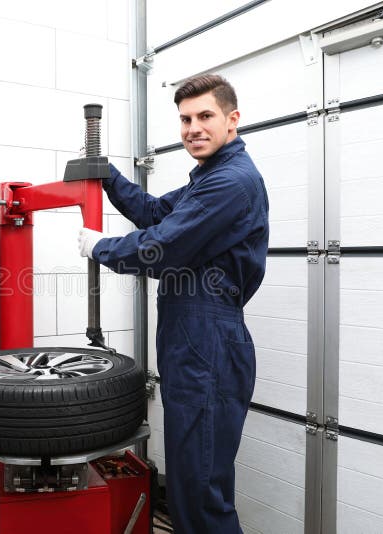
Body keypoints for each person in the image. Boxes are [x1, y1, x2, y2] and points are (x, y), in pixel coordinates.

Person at [77, 74, 269, 533]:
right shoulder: (210, 178)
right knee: (189, 481)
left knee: (201, 491)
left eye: (205, 116)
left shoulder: (232, 183)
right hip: (194, 338)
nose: (193, 128)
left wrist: (101, 246)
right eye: (185, 119)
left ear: (232, 119)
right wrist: (108, 176)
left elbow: (164, 245)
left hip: (209, 339)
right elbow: (158, 214)